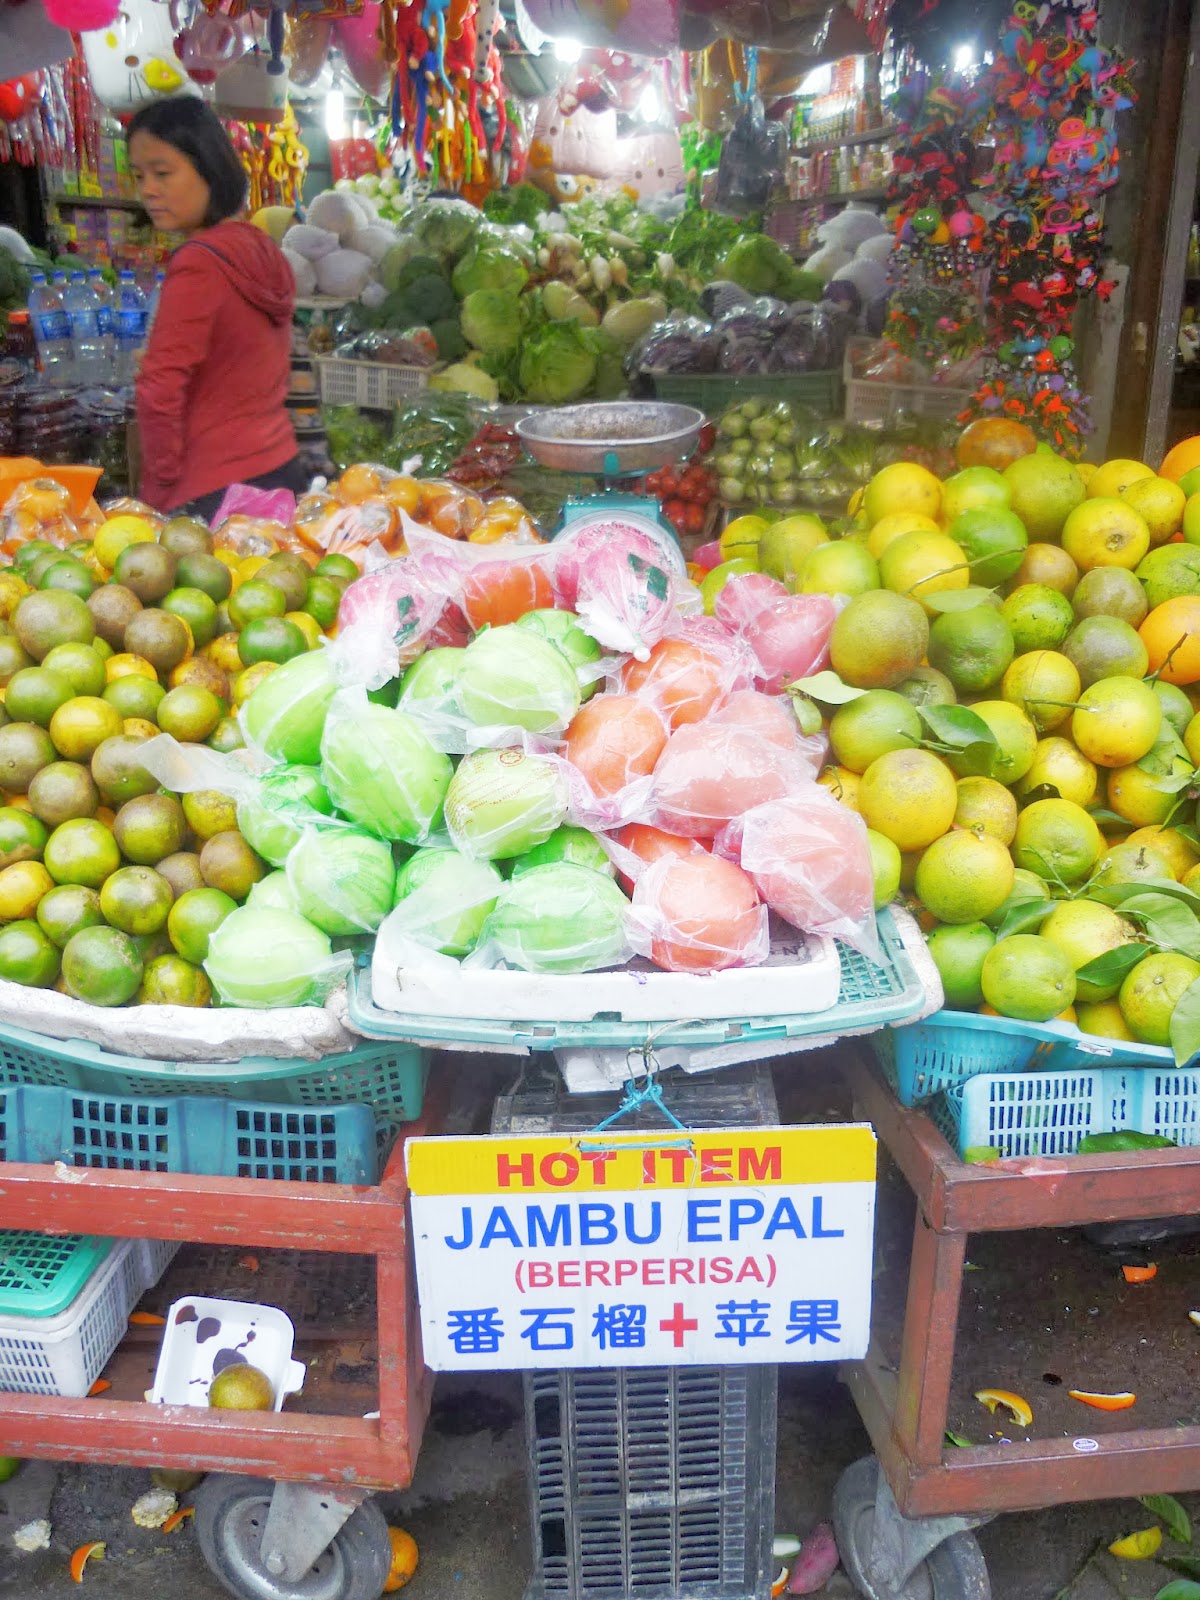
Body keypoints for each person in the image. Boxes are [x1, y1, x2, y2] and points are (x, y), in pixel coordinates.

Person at [127, 98, 304, 520]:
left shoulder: (199, 261)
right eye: (139, 176)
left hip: (215, 490)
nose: (149, 189)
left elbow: (160, 387)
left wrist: (160, 488)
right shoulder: (259, 245)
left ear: (208, 167)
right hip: (278, 469)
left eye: (164, 173)